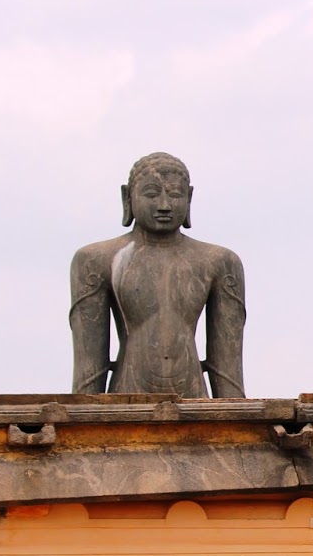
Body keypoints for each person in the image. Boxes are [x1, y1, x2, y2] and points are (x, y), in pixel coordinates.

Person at [69, 152, 246, 397]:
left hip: (195, 401)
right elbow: (89, 371)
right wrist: (85, 428)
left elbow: (228, 371)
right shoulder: (96, 260)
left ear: (189, 198)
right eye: (151, 195)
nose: (164, 205)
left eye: (175, 194)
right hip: (125, 399)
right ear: (127, 197)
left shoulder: (219, 262)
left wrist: (235, 426)